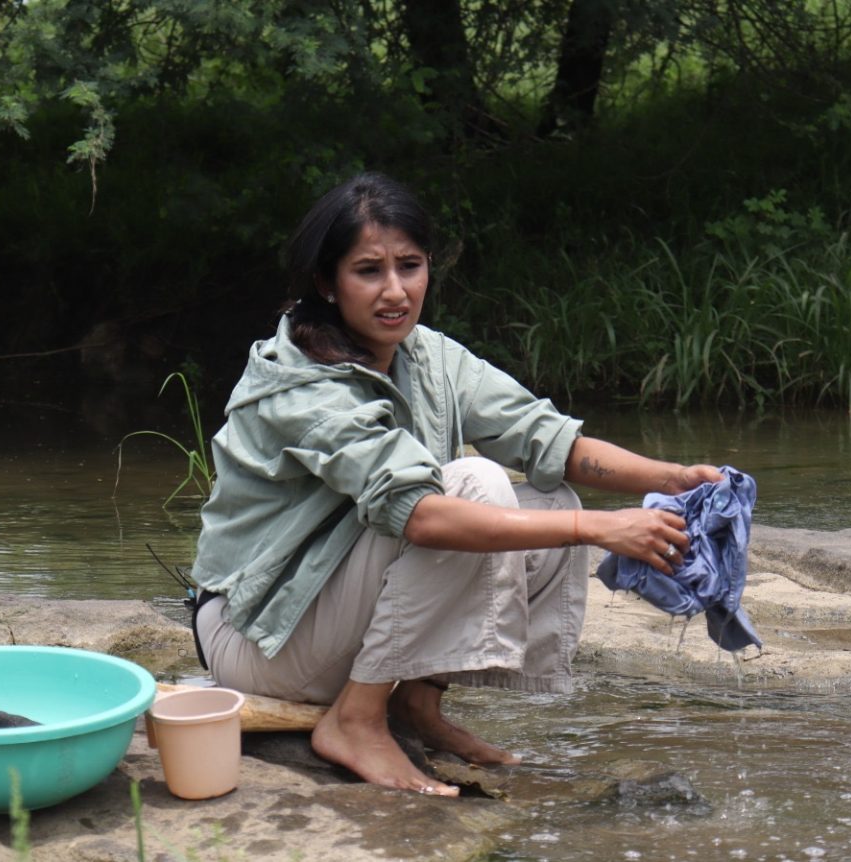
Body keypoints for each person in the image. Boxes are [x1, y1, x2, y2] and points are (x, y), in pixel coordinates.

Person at [190, 172, 723, 797]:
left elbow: (545, 440)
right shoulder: (302, 384)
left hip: (325, 621)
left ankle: (415, 705)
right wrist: (603, 529)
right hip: (256, 637)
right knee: (476, 485)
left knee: (550, 501)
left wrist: (674, 477)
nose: (396, 291)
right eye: (368, 271)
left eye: (410, 266)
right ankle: (355, 720)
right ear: (326, 284)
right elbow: (420, 517)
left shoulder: (428, 355)